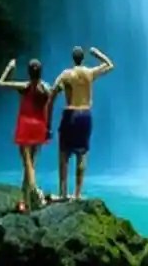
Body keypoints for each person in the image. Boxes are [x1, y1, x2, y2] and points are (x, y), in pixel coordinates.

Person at [46, 46, 114, 200]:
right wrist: (97, 54)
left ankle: (63, 193)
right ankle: (77, 194)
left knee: (64, 154)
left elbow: (52, 93)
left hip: (70, 113)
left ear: (72, 59)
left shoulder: (66, 74)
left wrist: (48, 121)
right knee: (82, 154)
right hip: (85, 114)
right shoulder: (89, 73)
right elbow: (110, 65)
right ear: (83, 59)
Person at [0, 57, 50, 212]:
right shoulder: (46, 88)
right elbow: (53, 98)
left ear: (28, 73)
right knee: (31, 164)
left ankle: (36, 194)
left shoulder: (25, 87)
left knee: (28, 165)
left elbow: (2, 83)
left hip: (25, 127)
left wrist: (9, 67)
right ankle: (24, 201)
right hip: (39, 127)